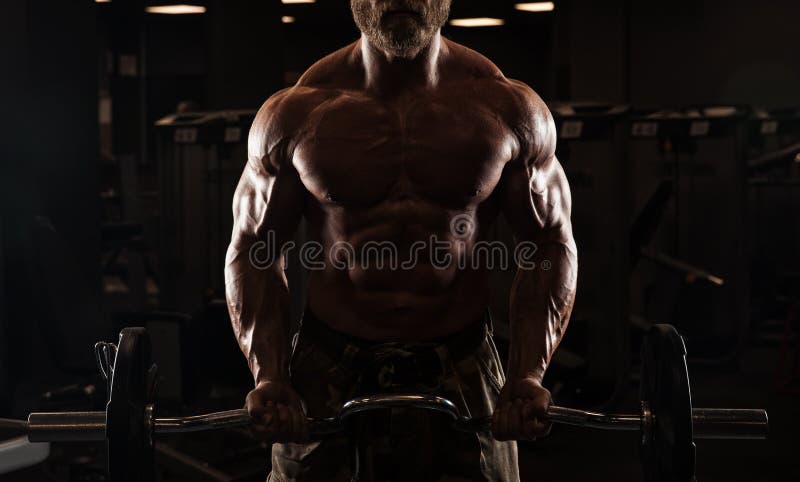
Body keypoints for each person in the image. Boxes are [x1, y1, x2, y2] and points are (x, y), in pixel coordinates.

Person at [225, 0, 577, 480]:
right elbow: (253, 249)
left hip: (462, 361)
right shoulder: (296, 113)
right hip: (328, 363)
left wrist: (528, 374)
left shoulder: (506, 108)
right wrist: (269, 374)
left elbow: (549, 246)